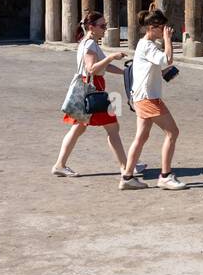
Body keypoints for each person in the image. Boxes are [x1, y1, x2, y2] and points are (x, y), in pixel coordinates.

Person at [53, 10, 144, 182]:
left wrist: (125, 72)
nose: (105, 29)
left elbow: (103, 67)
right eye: (102, 26)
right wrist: (111, 57)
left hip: (89, 88)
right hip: (93, 90)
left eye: (105, 25)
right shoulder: (89, 45)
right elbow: (92, 69)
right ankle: (125, 166)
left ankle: (60, 165)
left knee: (79, 128)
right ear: (91, 27)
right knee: (112, 128)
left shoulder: (88, 43)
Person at [121, 9, 184, 191]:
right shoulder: (148, 46)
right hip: (149, 98)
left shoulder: (145, 45)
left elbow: (155, 66)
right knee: (172, 132)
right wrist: (168, 40)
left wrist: (162, 72)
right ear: (151, 27)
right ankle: (165, 176)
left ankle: (127, 177)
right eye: (162, 27)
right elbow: (167, 59)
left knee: (141, 137)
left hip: (141, 97)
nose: (165, 30)